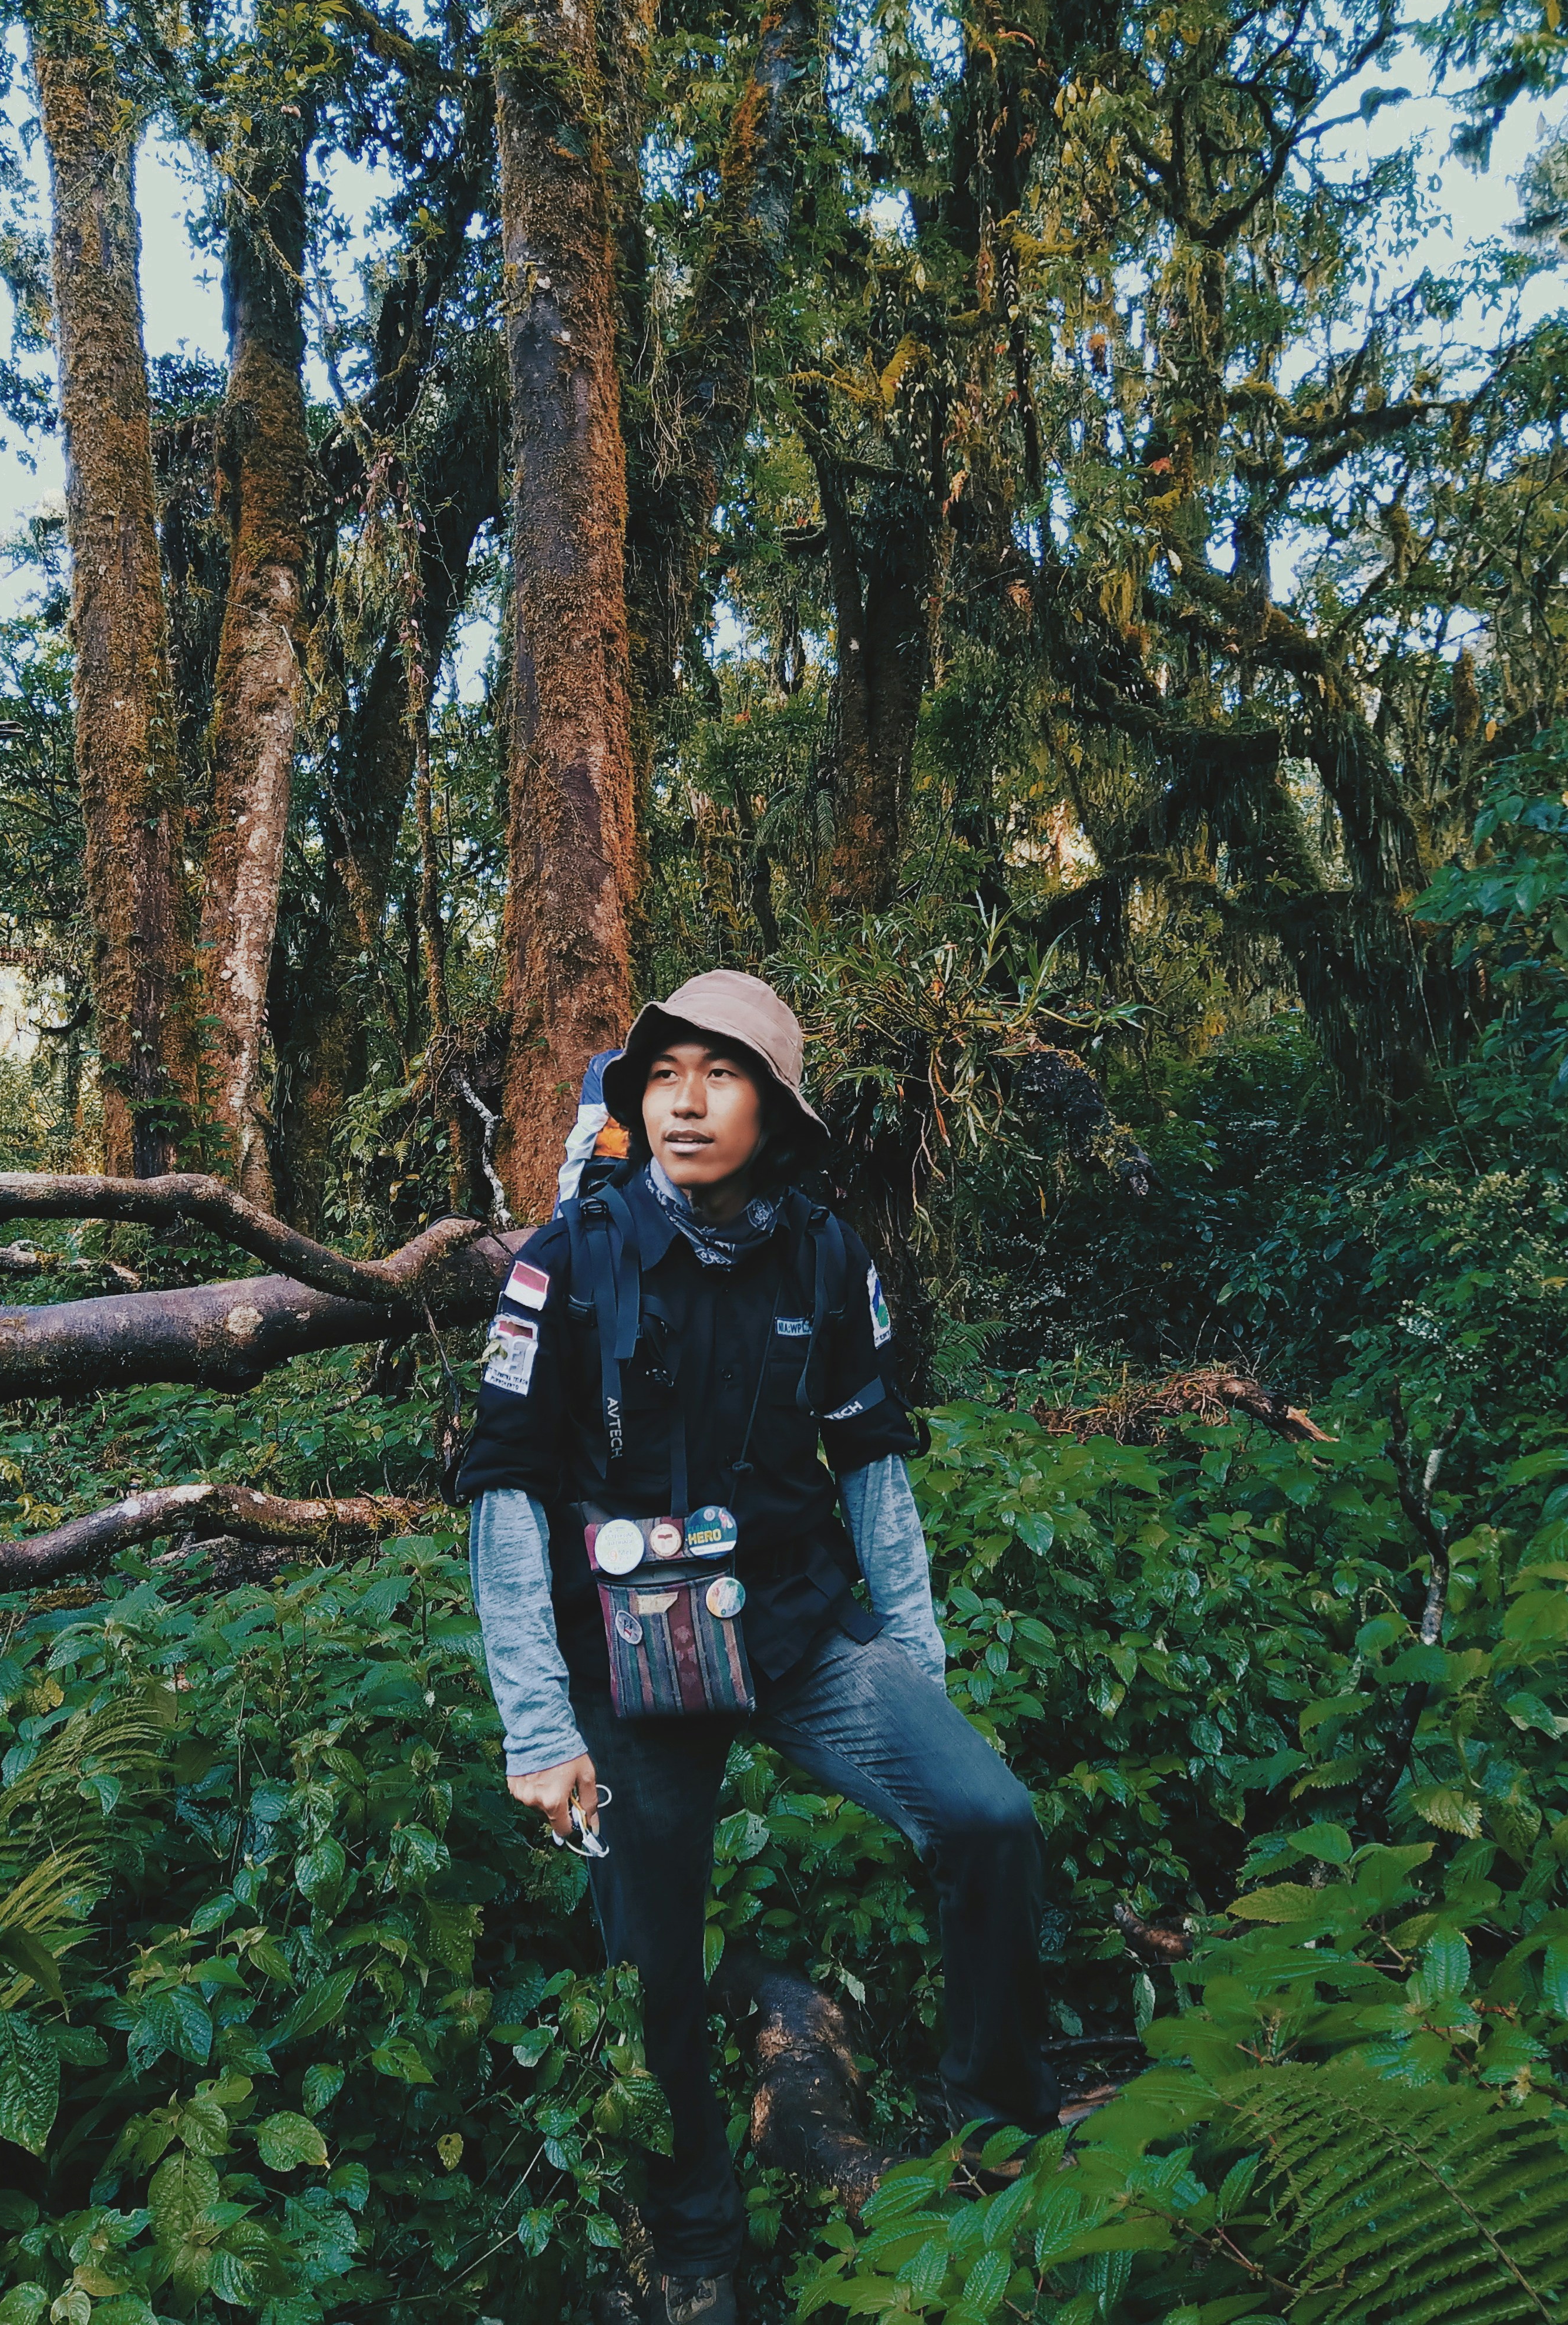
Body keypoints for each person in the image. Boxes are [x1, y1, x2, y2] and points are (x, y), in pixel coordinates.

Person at [457, 972, 1062, 2325]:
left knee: (990, 1818)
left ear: (774, 1109)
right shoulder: (569, 1260)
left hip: (795, 1628)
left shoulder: (827, 1254)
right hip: (630, 1655)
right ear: (635, 1096)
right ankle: (695, 2235)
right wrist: (539, 1725)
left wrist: (916, 1657)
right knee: (653, 1951)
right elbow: (505, 1490)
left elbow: (872, 1469)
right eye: (664, 1069)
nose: (685, 1096)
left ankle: (1003, 2144)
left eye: (721, 1073)